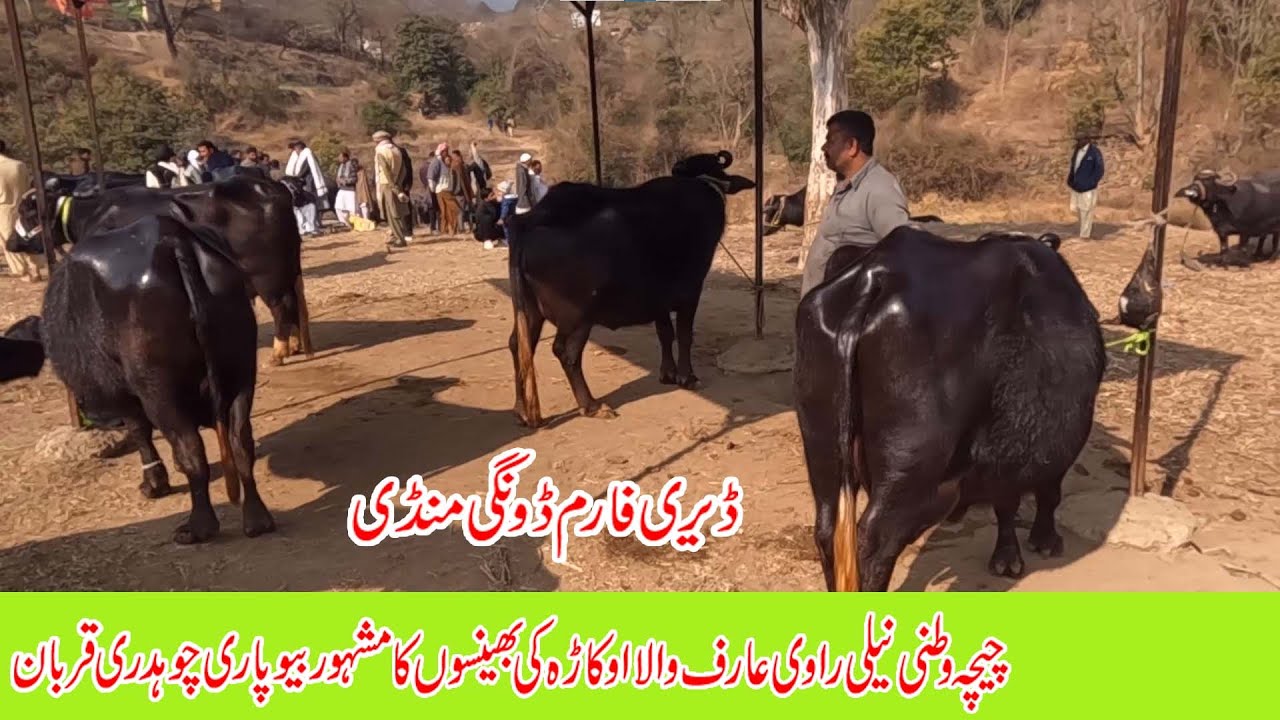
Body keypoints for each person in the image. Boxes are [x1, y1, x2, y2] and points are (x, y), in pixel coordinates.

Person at [800, 110, 910, 298]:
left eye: (831, 141)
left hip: (851, 318)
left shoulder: (879, 189)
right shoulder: (845, 186)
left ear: (851, 146)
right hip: (826, 313)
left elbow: (902, 251)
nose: (824, 148)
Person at [1, 140, 46, 282]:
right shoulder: (19, 165)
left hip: (3, 207)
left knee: (9, 239)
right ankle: (36, 268)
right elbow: (28, 185)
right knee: (28, 235)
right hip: (22, 205)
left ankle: (22, 271)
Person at [373, 130, 411, 249]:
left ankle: (399, 238)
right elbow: (404, 169)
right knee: (399, 211)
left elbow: (385, 171)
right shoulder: (396, 150)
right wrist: (398, 184)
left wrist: (393, 186)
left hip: (387, 184)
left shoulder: (381, 151)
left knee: (392, 213)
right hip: (397, 183)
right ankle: (398, 235)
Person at [285, 138, 328, 236]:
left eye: (295, 147)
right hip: (300, 185)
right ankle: (305, 227)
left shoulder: (307, 155)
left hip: (308, 184)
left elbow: (303, 171)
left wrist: (296, 178)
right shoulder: (296, 157)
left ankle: (312, 227)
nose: (294, 149)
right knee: (300, 207)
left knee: (310, 205)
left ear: (299, 147)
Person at [1067, 136, 1105, 240]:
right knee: (1076, 209)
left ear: (1087, 140)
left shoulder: (1094, 152)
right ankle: (1082, 231)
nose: (1078, 142)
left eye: (1080, 140)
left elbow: (1100, 170)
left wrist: (1090, 183)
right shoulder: (1077, 150)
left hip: (1088, 188)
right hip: (1076, 186)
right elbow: (1073, 167)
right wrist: (1070, 180)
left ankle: (1085, 235)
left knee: (1087, 210)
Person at [334, 151, 362, 227]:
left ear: (346, 157)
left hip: (350, 190)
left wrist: (344, 181)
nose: (339, 159)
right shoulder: (341, 166)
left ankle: (356, 223)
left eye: (341, 157)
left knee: (352, 208)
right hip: (342, 189)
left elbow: (354, 179)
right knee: (339, 207)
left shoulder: (351, 165)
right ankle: (344, 223)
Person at [436, 153, 461, 235]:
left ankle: (451, 229)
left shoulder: (452, 170)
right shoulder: (441, 169)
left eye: (449, 160)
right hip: (442, 190)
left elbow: (455, 181)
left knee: (452, 211)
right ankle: (444, 229)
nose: (448, 162)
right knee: (445, 211)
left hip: (449, 191)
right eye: (447, 160)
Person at [496, 179, 518, 249]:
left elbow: (505, 210)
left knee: (507, 231)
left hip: (507, 218)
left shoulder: (506, 201)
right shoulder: (514, 199)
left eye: (499, 191)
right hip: (513, 216)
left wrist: (502, 218)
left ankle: (509, 243)